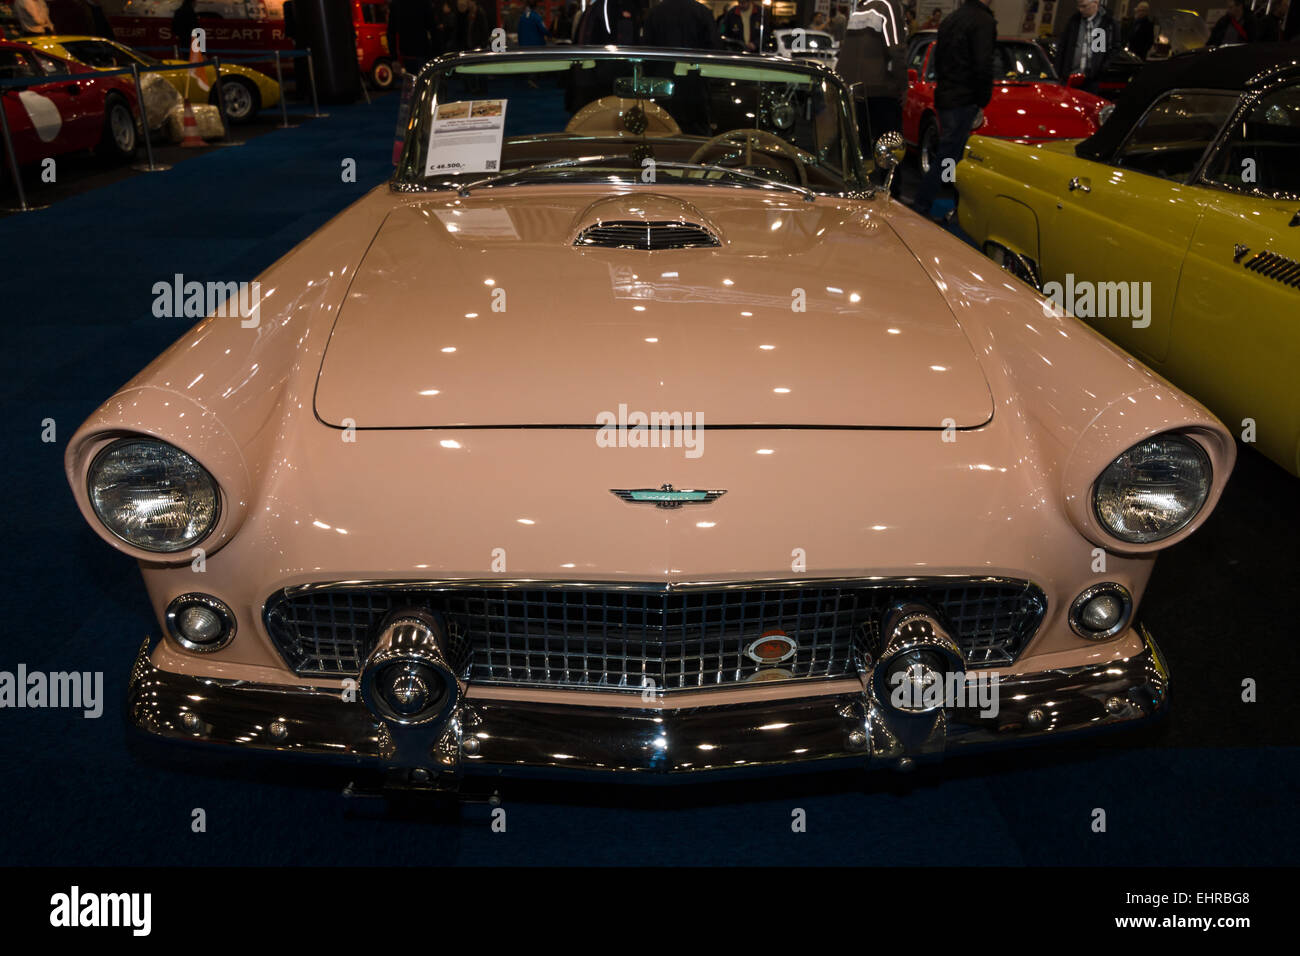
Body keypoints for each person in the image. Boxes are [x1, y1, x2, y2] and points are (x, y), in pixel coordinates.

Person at [912, 0, 996, 219]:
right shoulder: (983, 22)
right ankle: (924, 205)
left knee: (950, 154)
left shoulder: (951, 20)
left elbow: (940, 60)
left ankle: (945, 203)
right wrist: (983, 97)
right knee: (949, 155)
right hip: (964, 97)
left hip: (947, 94)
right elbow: (983, 63)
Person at [837, 0, 908, 151]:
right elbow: (896, 50)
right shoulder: (888, 6)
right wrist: (903, 86)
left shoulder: (859, 11)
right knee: (889, 150)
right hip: (882, 90)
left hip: (856, 89)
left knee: (860, 149)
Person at [1054, 0, 1120, 94]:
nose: (1081, 10)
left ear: (1095, 3)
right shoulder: (1074, 20)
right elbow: (1062, 46)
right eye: (1079, 6)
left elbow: (1115, 48)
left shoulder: (1107, 22)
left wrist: (1103, 67)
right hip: (1070, 77)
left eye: (1084, 6)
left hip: (1092, 79)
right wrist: (1058, 72)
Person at [642, 0, 718, 48]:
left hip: (661, 67)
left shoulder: (654, 12)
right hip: (695, 67)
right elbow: (713, 43)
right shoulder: (703, 11)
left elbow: (647, 43)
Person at [388, 0, 437, 71]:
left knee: (410, 78)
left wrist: (394, 58)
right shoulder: (424, 2)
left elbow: (391, 32)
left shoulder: (396, 4)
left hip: (406, 52)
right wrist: (436, 53)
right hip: (422, 50)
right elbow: (433, 28)